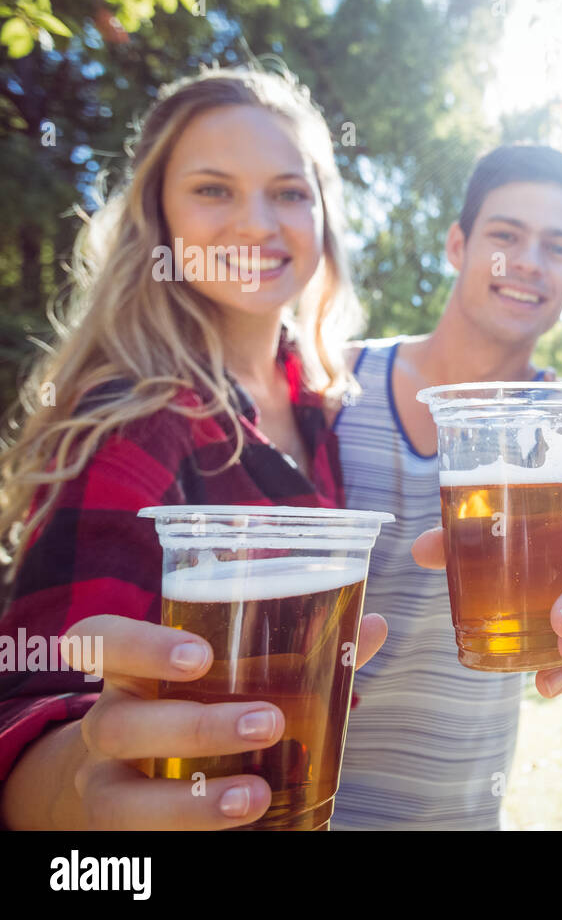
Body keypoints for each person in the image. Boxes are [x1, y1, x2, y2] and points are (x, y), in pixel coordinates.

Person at [0, 66, 391, 828]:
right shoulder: (135, 420)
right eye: (213, 189)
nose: (257, 223)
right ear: (160, 221)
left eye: (288, 192)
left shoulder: (325, 398)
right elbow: (34, 693)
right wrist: (84, 784)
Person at [331, 145, 562, 829]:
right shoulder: (329, 387)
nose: (530, 262)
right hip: (308, 811)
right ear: (458, 244)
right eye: (506, 236)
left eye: (557, 246)